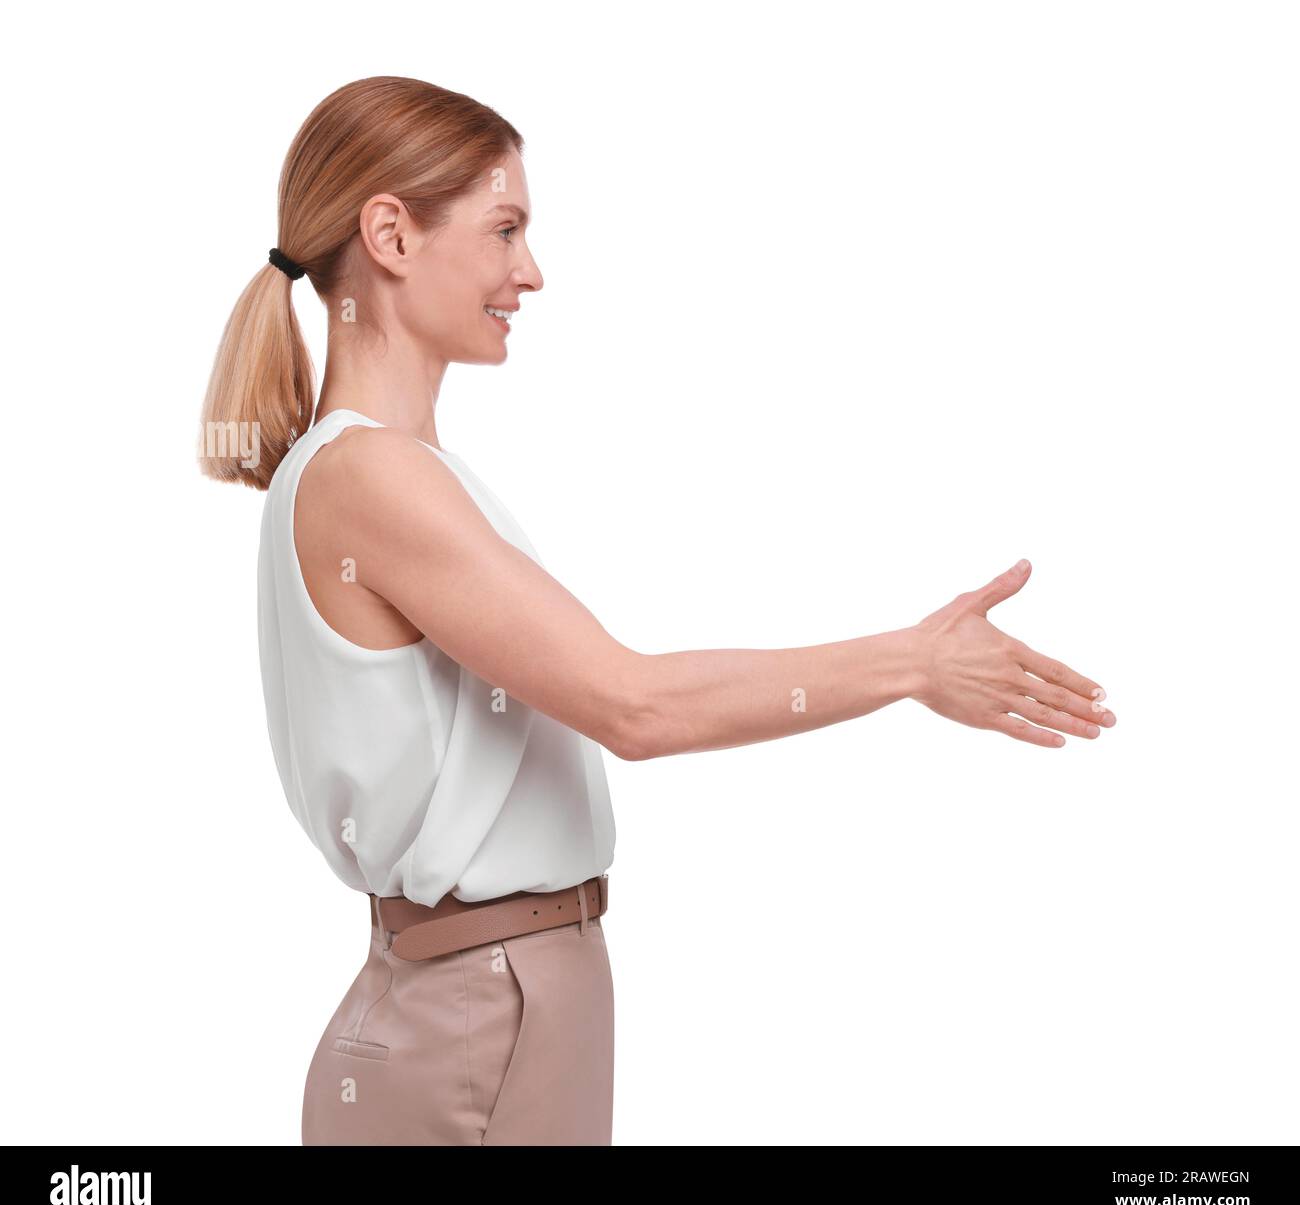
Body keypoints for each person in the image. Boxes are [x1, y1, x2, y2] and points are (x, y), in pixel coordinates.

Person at [198, 76, 1117, 1147]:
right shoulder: (370, 479)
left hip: (483, 991)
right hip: (482, 999)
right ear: (391, 235)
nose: (529, 271)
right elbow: (631, 705)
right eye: (504, 230)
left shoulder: (394, 472)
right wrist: (911, 663)